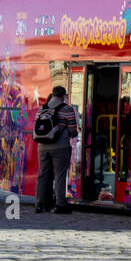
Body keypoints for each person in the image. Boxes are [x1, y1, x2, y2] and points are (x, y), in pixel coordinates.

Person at [34, 86, 78, 214]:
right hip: (60, 147)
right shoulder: (67, 109)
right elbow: (72, 131)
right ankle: (60, 204)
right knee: (59, 175)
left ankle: (39, 204)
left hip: (42, 146)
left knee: (42, 175)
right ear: (63, 96)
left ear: (52, 94)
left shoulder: (42, 108)